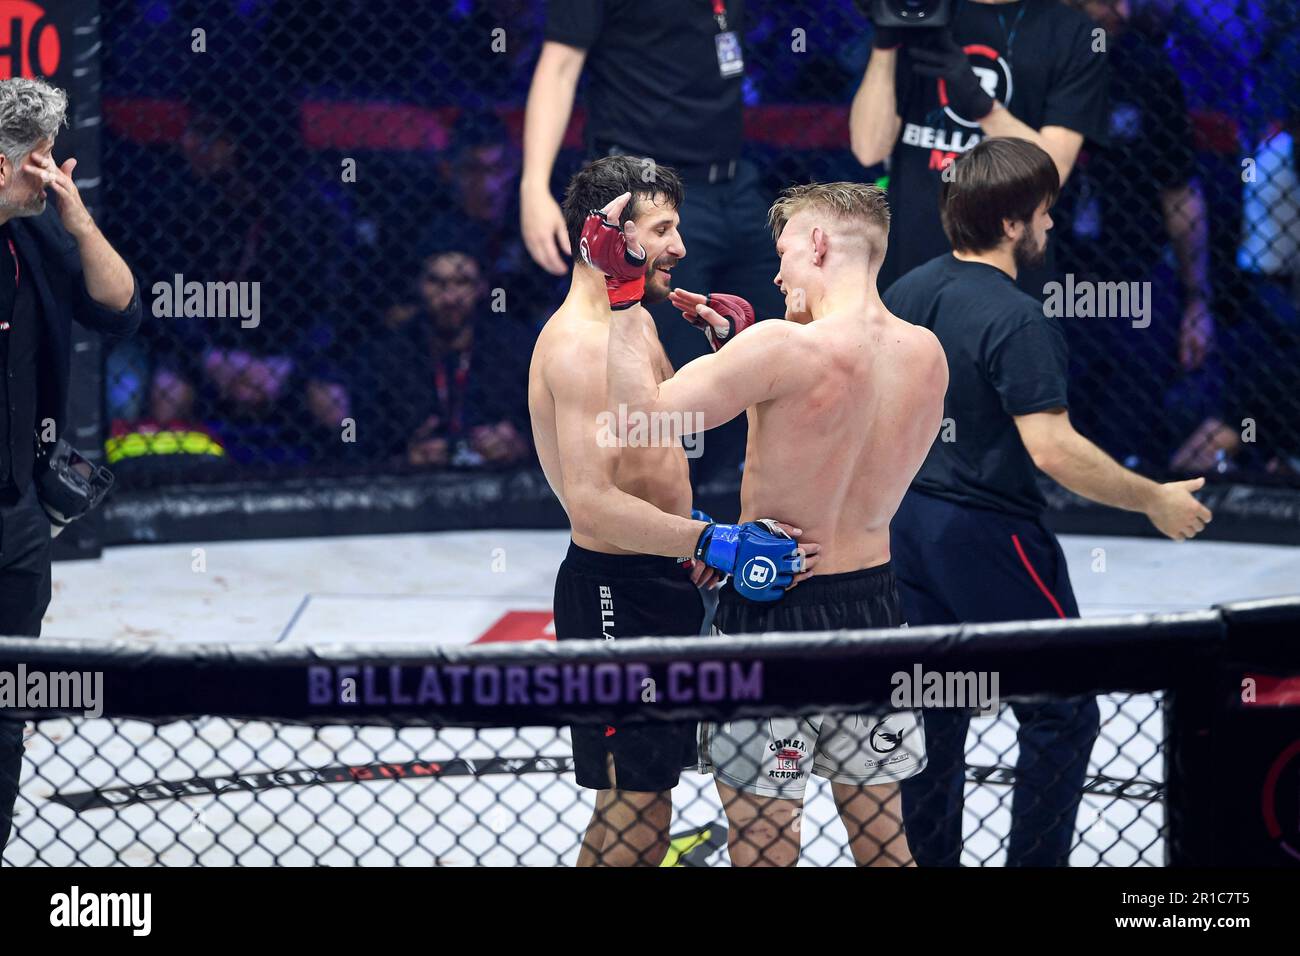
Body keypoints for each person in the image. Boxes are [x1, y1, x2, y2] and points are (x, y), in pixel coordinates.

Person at [883, 138, 1212, 867]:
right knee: (1060, 707)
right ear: (1010, 224)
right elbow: (1053, 450)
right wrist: (1151, 498)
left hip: (907, 525)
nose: (1052, 227)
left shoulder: (907, 291)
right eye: (1042, 214)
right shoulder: (1017, 317)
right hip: (985, 531)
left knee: (935, 705)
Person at [604, 181, 949, 866]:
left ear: (818, 243)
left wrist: (620, 299)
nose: (778, 270)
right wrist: (740, 349)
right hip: (875, 614)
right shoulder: (926, 353)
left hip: (773, 614)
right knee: (884, 841)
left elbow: (643, 418)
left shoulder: (778, 349)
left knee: (765, 839)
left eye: (785, 250)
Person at [528, 155, 814, 866]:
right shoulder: (580, 346)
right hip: (615, 594)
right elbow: (592, 509)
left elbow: (653, 438)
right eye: (661, 230)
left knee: (640, 807)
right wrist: (710, 541)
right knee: (636, 815)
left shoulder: (632, 325)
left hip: (662, 576)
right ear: (608, 239)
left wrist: (724, 357)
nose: (680, 248)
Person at [522, 0, 785, 488]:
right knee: (671, 359)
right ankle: (665, 520)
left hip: (735, 179)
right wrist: (534, 186)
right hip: (648, 195)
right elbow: (559, 67)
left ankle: (737, 503)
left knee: (769, 328)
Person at [0, 77, 143, 859]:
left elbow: (121, 309)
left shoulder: (33, 239)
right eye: (42, 160)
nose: (54, 172)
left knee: (7, 702)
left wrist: (78, 219)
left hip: (15, 515)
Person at [849, 0, 1109, 293]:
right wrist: (885, 40)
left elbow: (1054, 170)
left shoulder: (1073, 33)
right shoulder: (919, 9)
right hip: (909, 261)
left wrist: (980, 102)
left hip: (1007, 273)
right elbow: (868, 147)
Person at [1055, 0, 1217, 469]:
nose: (1122, 11)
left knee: (1130, 436)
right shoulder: (1027, 61)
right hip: (1049, 277)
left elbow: (1180, 191)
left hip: (1131, 277)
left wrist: (1196, 302)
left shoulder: (1147, 70)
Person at [347, 247, 533, 469]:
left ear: (482, 288)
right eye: (436, 282)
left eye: (462, 282)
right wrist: (404, 459)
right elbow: (358, 444)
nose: (449, 297)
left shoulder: (515, 348)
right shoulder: (387, 355)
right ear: (419, 286)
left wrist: (523, 445)